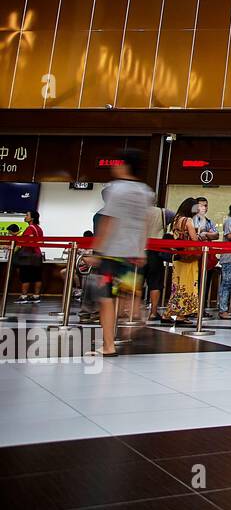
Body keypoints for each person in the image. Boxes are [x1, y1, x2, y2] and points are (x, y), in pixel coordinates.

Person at [85, 149, 154, 356]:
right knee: (127, 293)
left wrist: (97, 252)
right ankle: (135, 316)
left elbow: (108, 221)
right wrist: (142, 250)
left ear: (124, 165)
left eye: (116, 163)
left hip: (111, 255)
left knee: (106, 300)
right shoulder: (146, 192)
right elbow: (145, 223)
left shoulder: (116, 189)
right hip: (133, 253)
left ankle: (108, 345)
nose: (114, 166)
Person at [164, 198, 203, 322]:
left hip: (177, 256)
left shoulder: (176, 219)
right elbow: (194, 239)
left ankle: (169, 312)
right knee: (187, 285)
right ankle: (182, 314)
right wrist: (201, 236)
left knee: (176, 285)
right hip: (188, 257)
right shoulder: (188, 220)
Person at [15, 210, 44, 303]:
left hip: (28, 256)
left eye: (27, 215)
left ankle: (23, 296)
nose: (25, 216)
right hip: (37, 255)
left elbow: (27, 242)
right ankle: (36, 296)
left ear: (32, 218)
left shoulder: (30, 228)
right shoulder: (39, 228)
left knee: (25, 276)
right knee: (37, 276)